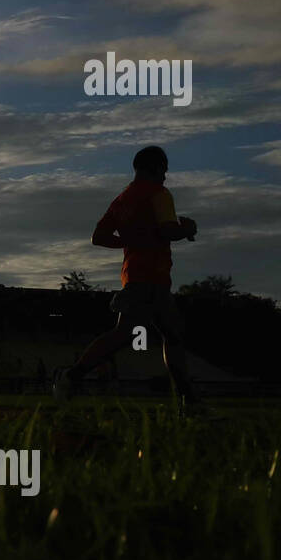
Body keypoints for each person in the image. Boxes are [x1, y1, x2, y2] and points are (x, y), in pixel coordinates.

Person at [53, 145, 200, 410]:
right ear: (155, 167)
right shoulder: (159, 193)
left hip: (137, 274)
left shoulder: (123, 199)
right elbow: (168, 231)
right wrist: (188, 228)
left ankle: (189, 402)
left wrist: (129, 241)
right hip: (151, 276)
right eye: (164, 170)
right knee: (131, 333)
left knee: (170, 333)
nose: (165, 176)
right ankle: (71, 376)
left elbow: (99, 237)